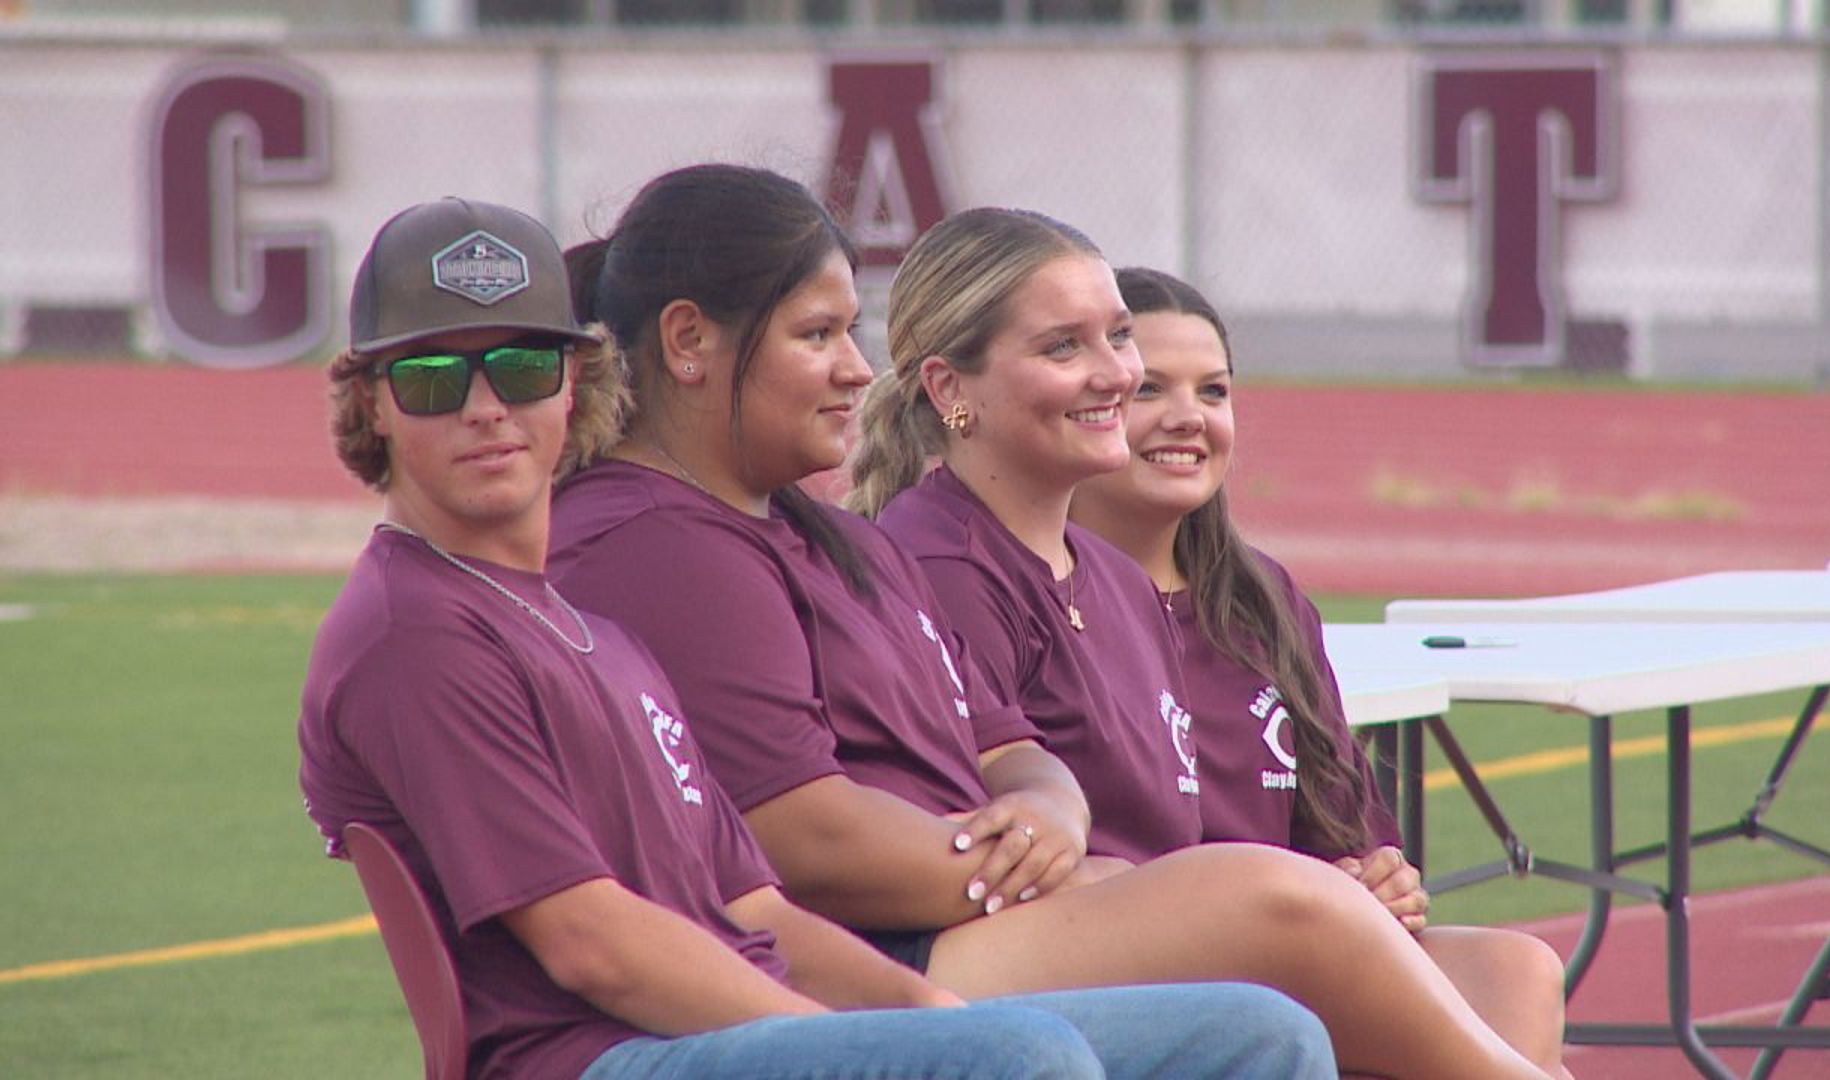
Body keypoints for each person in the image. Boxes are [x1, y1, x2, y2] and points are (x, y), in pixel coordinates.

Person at [297, 196, 1337, 1080]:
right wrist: (860, 1039)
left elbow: (751, 901)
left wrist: (921, 1018)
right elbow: (593, 946)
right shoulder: (419, 631)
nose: (487, 409)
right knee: (1020, 1062)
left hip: (740, 1006)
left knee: (1260, 1032)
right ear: (371, 406)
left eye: (521, 369)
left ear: (576, 384)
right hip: (601, 1052)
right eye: (434, 378)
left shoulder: (582, 625)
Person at [550, 164, 1549, 1080]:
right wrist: (1038, 869)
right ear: (688, 344)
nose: (860, 369)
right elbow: (799, 838)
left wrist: (1052, 822)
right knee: (1284, 911)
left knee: (1462, 974)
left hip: (970, 906)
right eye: (819, 336)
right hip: (875, 939)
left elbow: (1014, 754)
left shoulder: (822, 533)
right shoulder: (665, 543)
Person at [1067, 266, 1572, 1076]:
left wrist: (1379, 878)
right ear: (1088, 407)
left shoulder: (1260, 601)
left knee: (1517, 968)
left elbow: (1354, 835)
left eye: (1215, 391)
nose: (1188, 418)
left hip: (1297, 960)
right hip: (1134, 967)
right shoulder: (1038, 593)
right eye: (1149, 390)